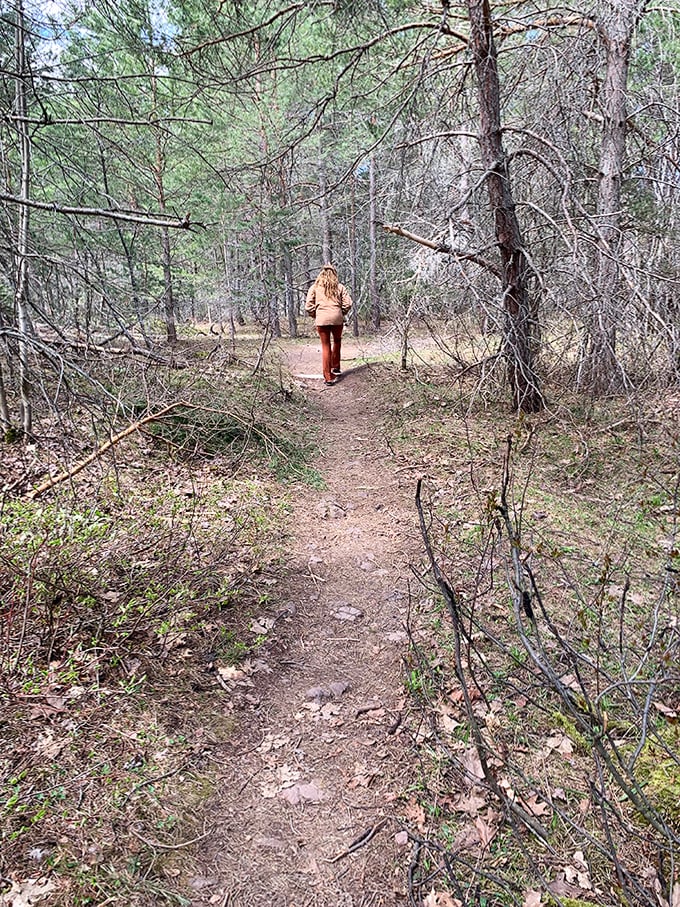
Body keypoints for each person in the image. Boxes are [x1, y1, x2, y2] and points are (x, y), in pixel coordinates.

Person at [305, 264, 352, 386]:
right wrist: (341, 313)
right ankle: (335, 367)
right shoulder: (340, 287)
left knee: (325, 345)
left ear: (321, 274)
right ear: (335, 274)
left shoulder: (314, 287)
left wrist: (316, 315)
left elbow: (308, 306)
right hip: (337, 319)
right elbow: (348, 304)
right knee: (337, 341)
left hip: (321, 320)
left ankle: (328, 377)